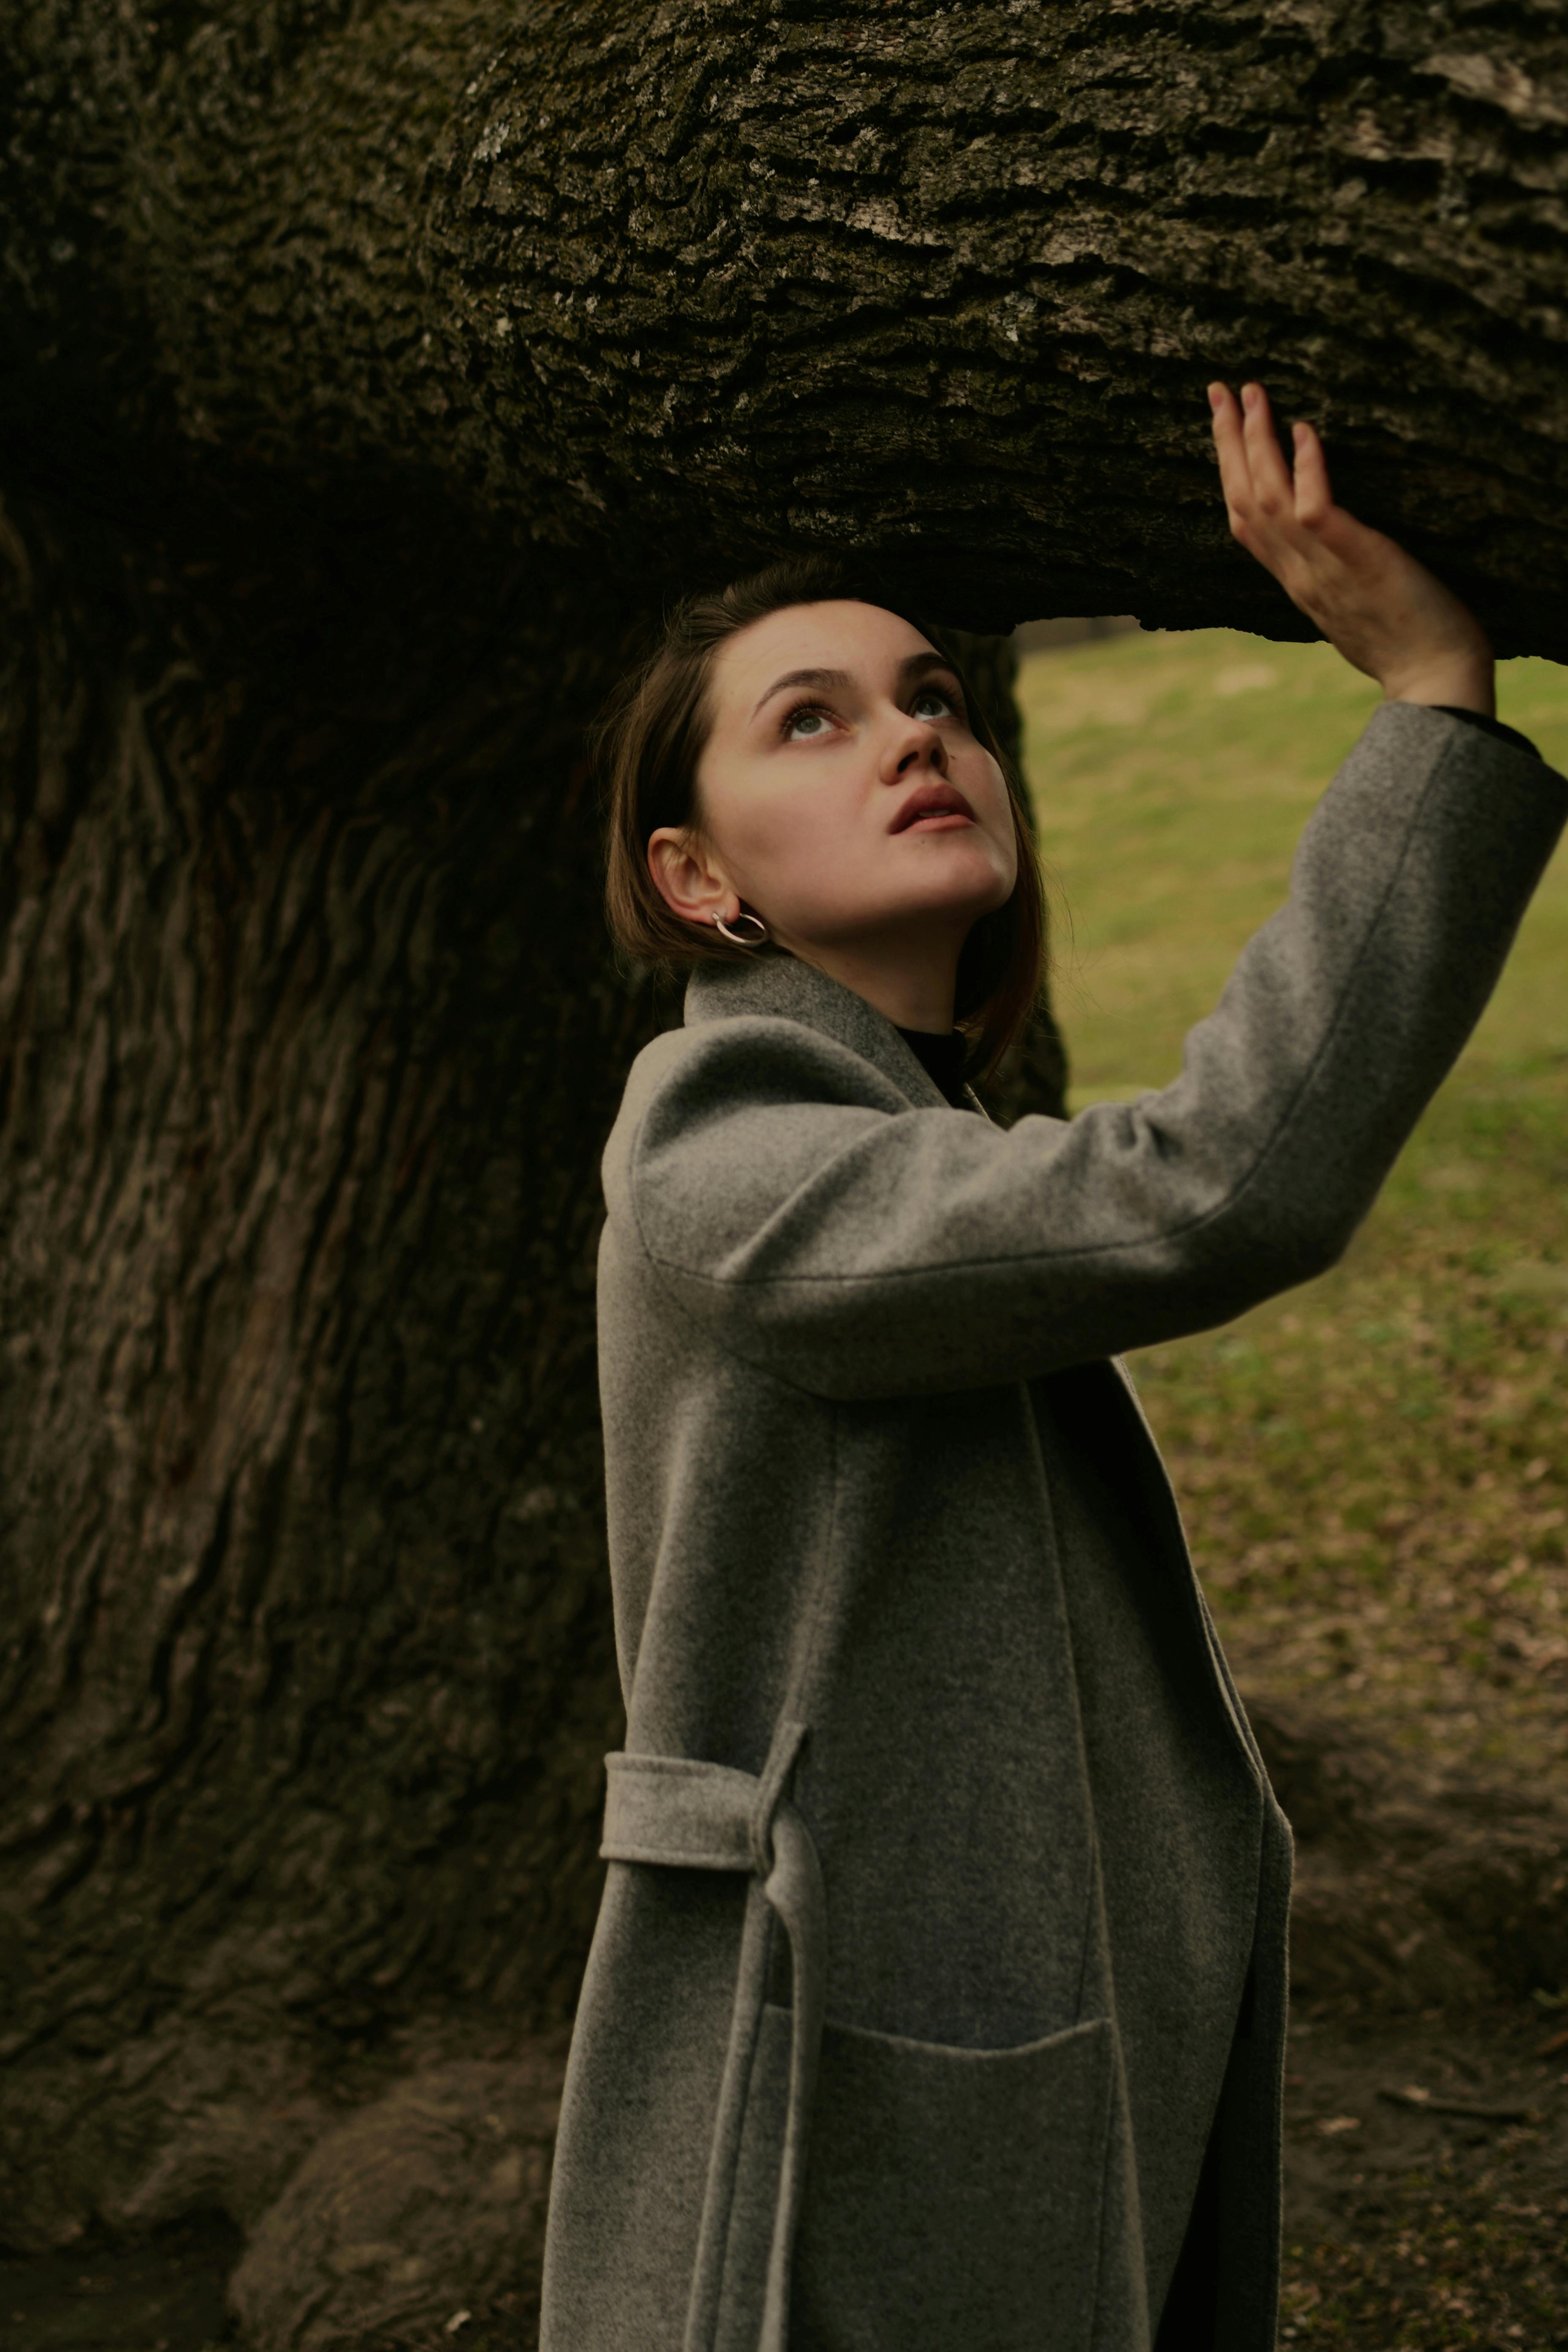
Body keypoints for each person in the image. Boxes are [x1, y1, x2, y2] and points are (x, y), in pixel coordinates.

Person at [537, 384, 1564, 2352]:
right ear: (698, 880)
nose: (916, 728)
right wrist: (1432, 699)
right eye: (810, 717)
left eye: (935, 693)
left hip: (1024, 2040)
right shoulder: (716, 1146)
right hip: (828, 2080)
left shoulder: (897, 1140)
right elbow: (1208, 1191)